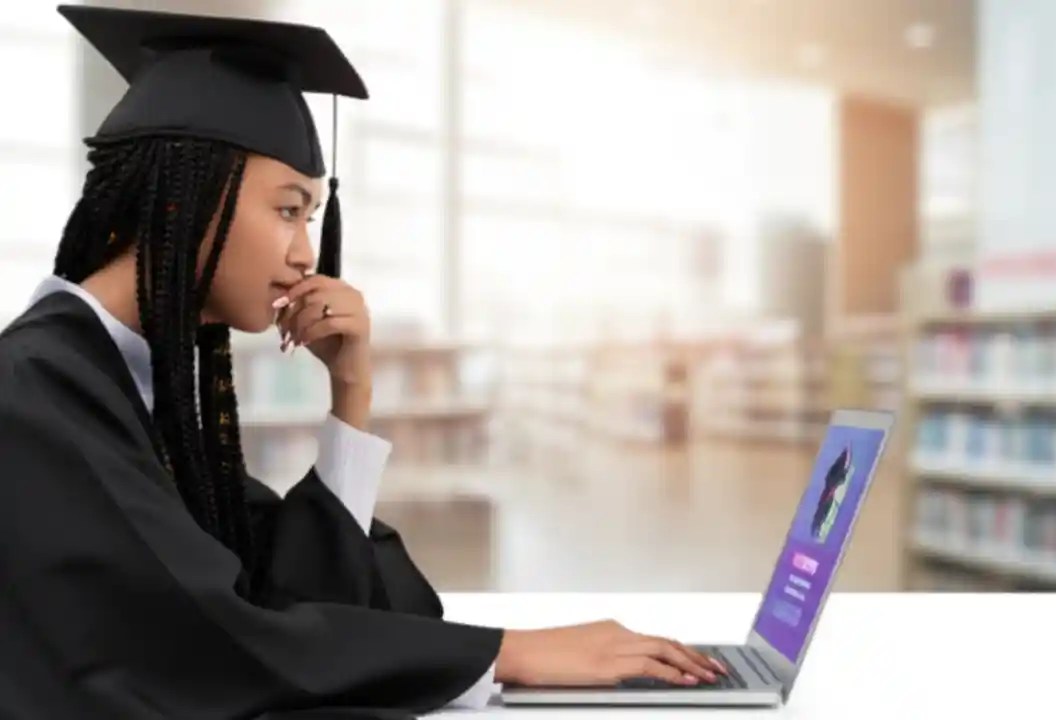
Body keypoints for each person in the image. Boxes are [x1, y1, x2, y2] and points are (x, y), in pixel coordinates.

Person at [0, 6, 724, 719]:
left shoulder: (135, 385)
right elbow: (198, 642)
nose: (305, 256)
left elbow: (289, 593)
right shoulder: (35, 389)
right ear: (174, 206)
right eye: (288, 210)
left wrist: (350, 393)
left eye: (310, 217)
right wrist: (506, 653)